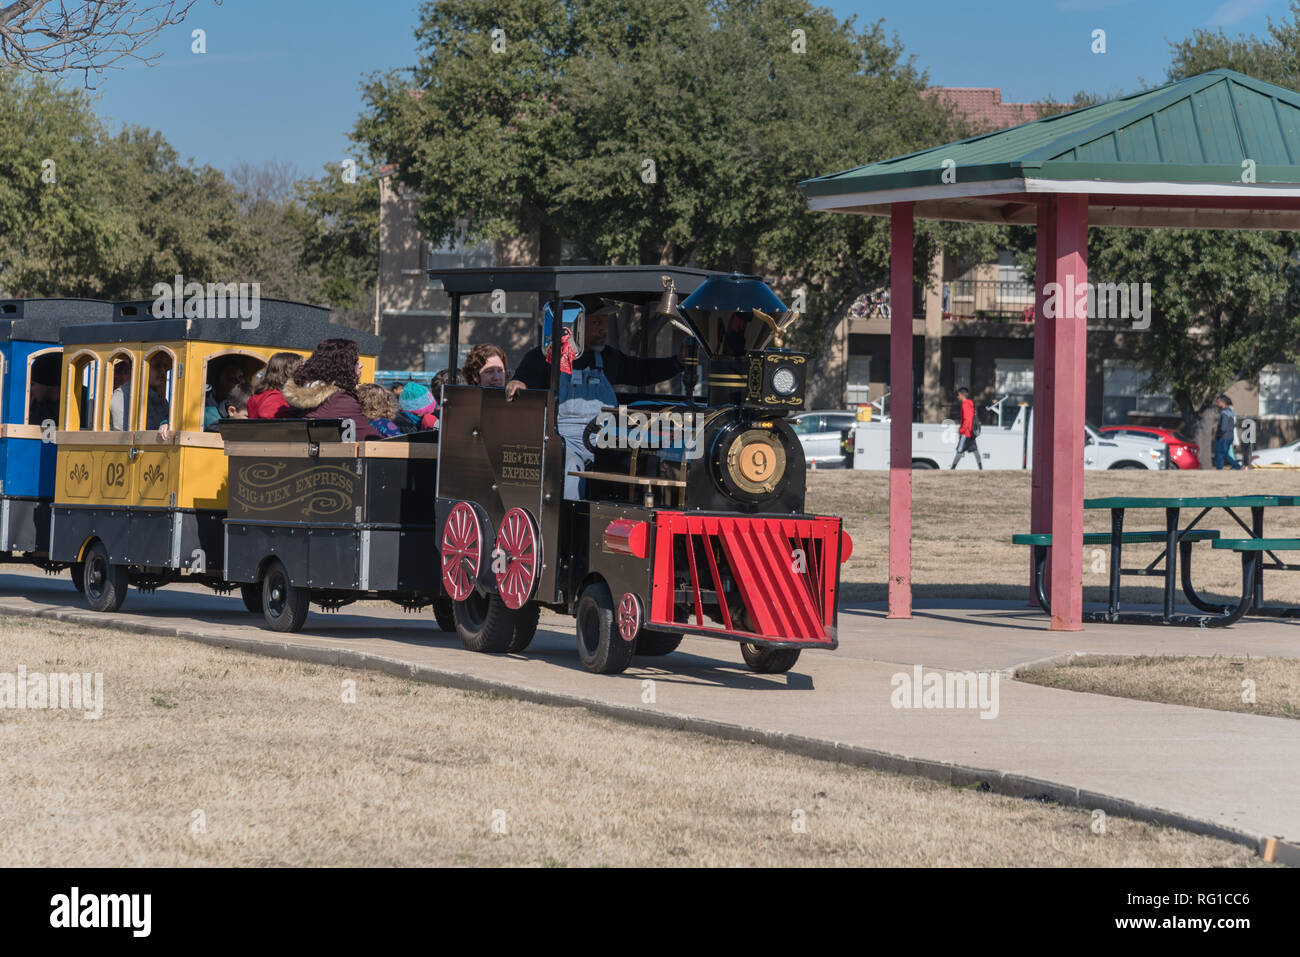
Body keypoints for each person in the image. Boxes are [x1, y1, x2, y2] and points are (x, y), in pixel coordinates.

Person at [506, 304, 682, 499]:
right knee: (572, 468)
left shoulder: (608, 358)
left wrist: (677, 363)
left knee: (640, 463)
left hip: (606, 443)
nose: (604, 330)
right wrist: (518, 382)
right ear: (575, 325)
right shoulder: (546, 357)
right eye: (597, 323)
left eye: (605, 323)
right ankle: (569, 524)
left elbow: (641, 371)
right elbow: (525, 379)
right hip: (563, 443)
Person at [281, 338, 380, 441]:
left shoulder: (299, 397)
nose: (361, 365)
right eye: (355, 361)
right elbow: (373, 440)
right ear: (342, 368)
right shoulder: (339, 400)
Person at [247, 352, 302, 419]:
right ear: (289, 373)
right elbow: (266, 415)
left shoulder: (260, 396)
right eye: (300, 370)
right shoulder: (276, 397)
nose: (303, 374)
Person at [203, 360, 249, 431]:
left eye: (241, 377)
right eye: (231, 379)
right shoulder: (205, 410)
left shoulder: (250, 401)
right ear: (217, 383)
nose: (238, 382)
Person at [950, 387, 982, 470]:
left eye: (958, 395)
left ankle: (952, 468)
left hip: (966, 432)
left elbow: (967, 419)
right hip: (971, 432)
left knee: (959, 450)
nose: (957, 397)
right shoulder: (970, 403)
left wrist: (961, 430)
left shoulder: (965, 404)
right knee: (975, 450)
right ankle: (980, 468)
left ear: (961, 395)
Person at [27, 356, 60, 426]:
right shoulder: (35, 403)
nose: (29, 389)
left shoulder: (79, 403)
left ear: (47, 385)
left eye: (32, 384)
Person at [144, 353, 172, 434]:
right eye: (157, 366)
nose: (163, 371)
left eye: (165, 367)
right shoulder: (124, 396)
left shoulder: (162, 401)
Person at [1213, 394, 1242, 470]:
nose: (1217, 403)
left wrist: (1218, 435)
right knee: (1225, 454)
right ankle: (1237, 466)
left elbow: (1223, 427)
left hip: (1223, 437)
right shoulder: (1231, 412)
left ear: (1223, 402)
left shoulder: (1224, 413)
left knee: (1220, 454)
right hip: (1230, 437)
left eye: (1218, 402)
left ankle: (1234, 466)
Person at [108, 361, 131, 431]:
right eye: (117, 372)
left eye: (125, 373)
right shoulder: (118, 396)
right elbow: (121, 428)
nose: (116, 376)